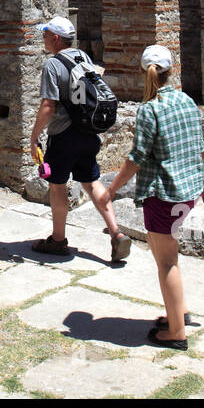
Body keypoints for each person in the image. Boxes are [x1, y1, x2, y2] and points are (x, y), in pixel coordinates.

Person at [103, 45, 204, 351]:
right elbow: (201, 145)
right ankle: (178, 312)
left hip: (164, 194)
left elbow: (137, 157)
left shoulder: (150, 109)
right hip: (188, 191)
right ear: (171, 71)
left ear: (144, 73)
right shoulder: (186, 100)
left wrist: (111, 191)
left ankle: (177, 332)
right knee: (164, 252)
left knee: (166, 262)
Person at [28, 16, 132, 263]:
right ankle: (116, 232)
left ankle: (58, 240)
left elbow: (48, 106)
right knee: (91, 181)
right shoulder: (83, 57)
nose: (43, 37)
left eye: (45, 34)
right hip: (87, 132)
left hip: (63, 136)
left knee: (58, 185)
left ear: (55, 38)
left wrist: (34, 137)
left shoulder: (52, 65)